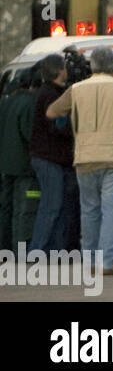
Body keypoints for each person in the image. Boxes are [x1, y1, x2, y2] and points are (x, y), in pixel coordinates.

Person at [45, 47, 113, 275]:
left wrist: (75, 115)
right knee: (112, 210)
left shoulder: (77, 89)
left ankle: (89, 262)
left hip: (85, 157)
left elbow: (52, 112)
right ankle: (106, 262)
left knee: (89, 210)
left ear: (92, 65)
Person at [29, 54, 77, 252]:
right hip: (49, 158)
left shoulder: (47, 92)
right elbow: (58, 127)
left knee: (61, 206)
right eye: (65, 67)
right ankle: (36, 250)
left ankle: (57, 250)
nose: (67, 71)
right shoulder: (52, 95)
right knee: (52, 205)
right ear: (59, 71)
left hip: (53, 158)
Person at [0, 68, 39, 251]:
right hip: (24, 165)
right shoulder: (29, 103)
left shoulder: (5, 103)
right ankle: (21, 248)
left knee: (6, 207)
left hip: (5, 165)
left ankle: (4, 246)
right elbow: (30, 134)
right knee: (25, 208)